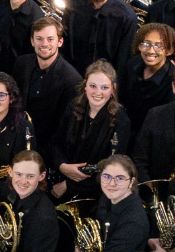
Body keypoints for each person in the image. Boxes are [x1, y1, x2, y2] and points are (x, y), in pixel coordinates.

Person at [49, 61, 131, 202]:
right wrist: (62, 166)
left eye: (104, 87)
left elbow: (111, 168)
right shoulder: (74, 106)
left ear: (113, 89)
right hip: (60, 178)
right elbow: (56, 142)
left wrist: (69, 185)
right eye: (93, 86)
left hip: (94, 193)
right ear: (85, 86)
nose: (98, 93)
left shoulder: (121, 121)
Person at [8, 15, 80, 150]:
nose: (44, 44)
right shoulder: (21, 64)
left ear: (60, 42)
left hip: (47, 149)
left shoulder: (72, 80)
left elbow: (66, 129)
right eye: (39, 39)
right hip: (17, 140)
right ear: (32, 41)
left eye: (50, 39)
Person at [63, 0, 139, 76]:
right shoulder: (71, 7)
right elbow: (64, 51)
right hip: (74, 81)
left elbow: (124, 63)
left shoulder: (127, 16)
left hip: (109, 86)